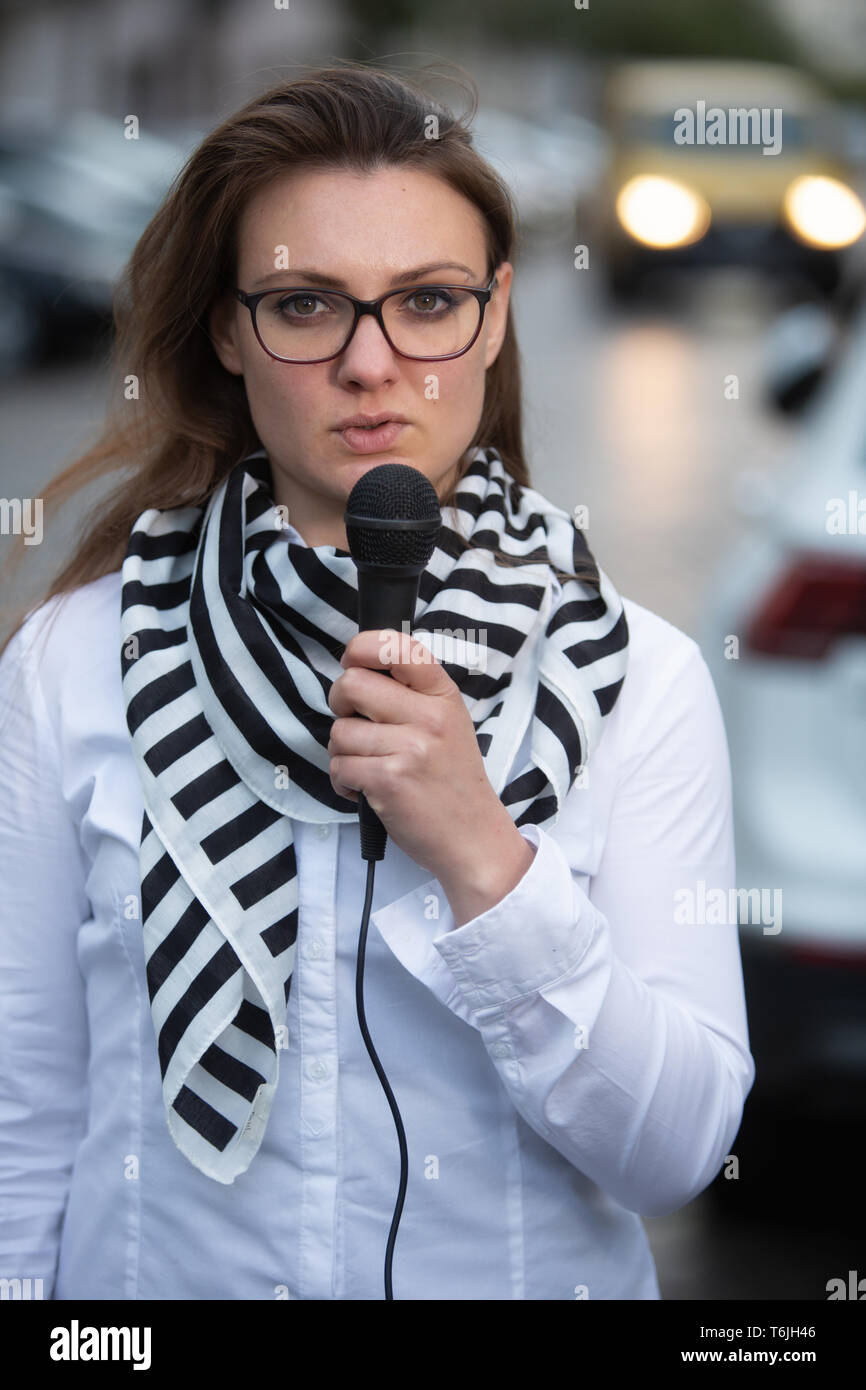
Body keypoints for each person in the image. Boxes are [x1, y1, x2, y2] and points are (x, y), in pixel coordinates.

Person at [0, 62, 754, 1301]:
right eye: (305, 305)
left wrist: (482, 859)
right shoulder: (74, 662)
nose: (371, 363)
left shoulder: (638, 681)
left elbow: (674, 1153)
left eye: (426, 301)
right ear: (229, 331)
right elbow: (26, 1120)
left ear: (495, 314)